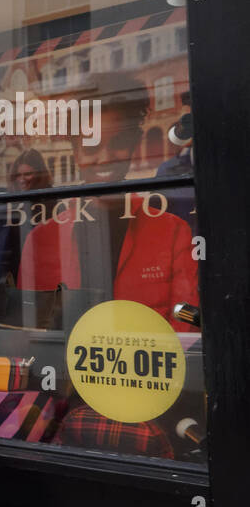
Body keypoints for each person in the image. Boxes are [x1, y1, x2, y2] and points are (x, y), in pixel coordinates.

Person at [17, 74, 198, 331]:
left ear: (135, 143)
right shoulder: (41, 241)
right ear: (75, 150)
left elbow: (188, 321)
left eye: (119, 144)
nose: (105, 159)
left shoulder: (173, 232)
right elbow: (30, 332)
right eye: (91, 146)